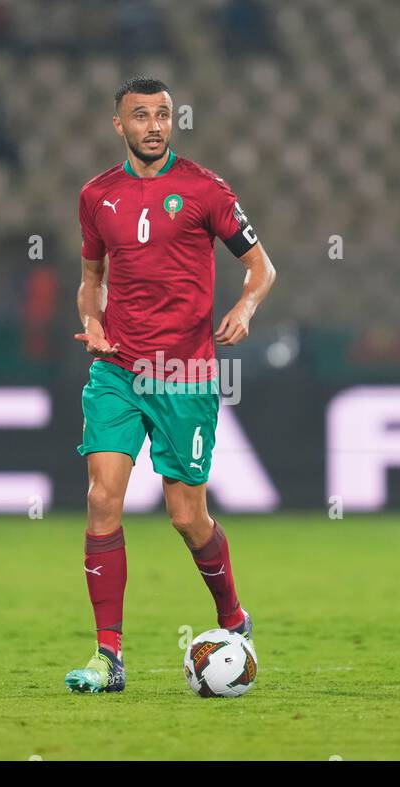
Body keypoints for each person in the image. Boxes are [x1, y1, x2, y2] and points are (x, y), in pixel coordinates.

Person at [65, 77, 277, 693]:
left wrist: (245, 308)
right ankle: (109, 659)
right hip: (118, 370)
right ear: (119, 125)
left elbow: (262, 268)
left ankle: (233, 616)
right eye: (141, 116)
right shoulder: (96, 196)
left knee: (187, 517)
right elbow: (89, 280)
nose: (154, 125)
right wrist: (92, 321)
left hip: (184, 374)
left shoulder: (206, 190)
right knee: (103, 499)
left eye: (163, 114)